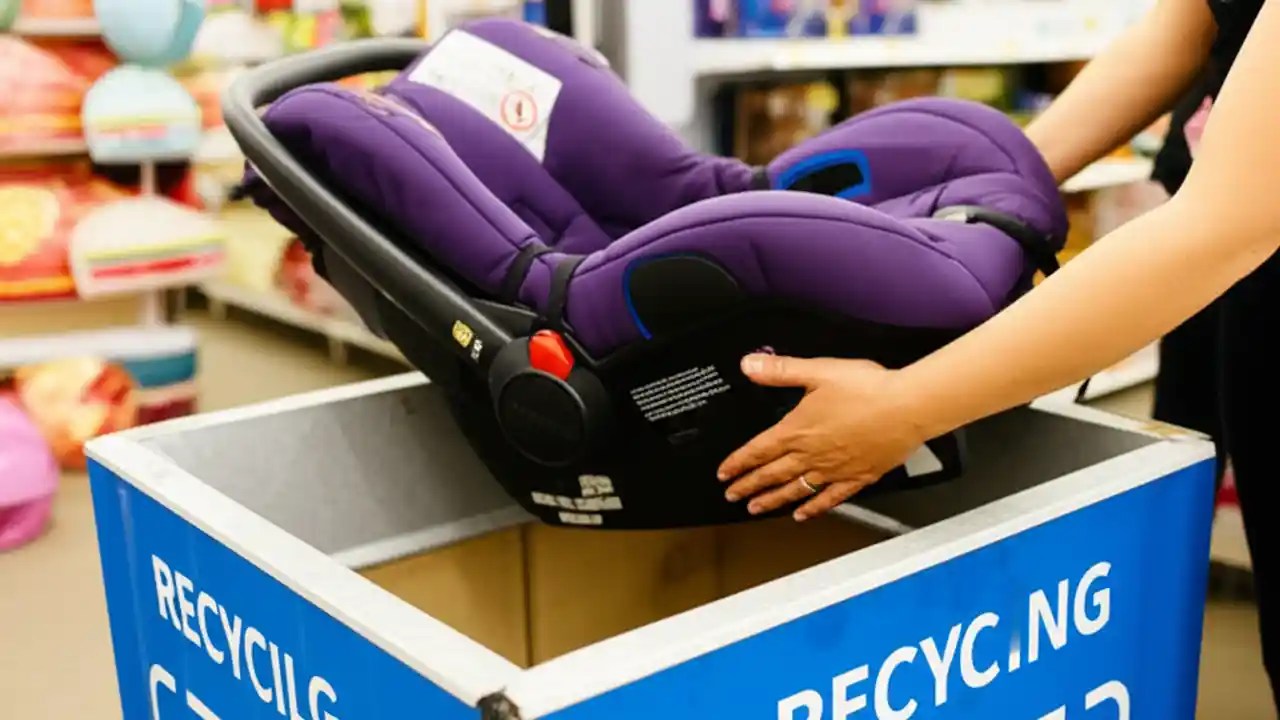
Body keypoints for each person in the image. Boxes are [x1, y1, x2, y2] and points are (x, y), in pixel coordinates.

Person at [716, 0, 1279, 707]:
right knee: (1160, 557)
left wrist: (906, 407)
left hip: (1239, 236)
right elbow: (1192, 24)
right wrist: (994, 197)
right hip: (1223, 268)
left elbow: (1225, 225)